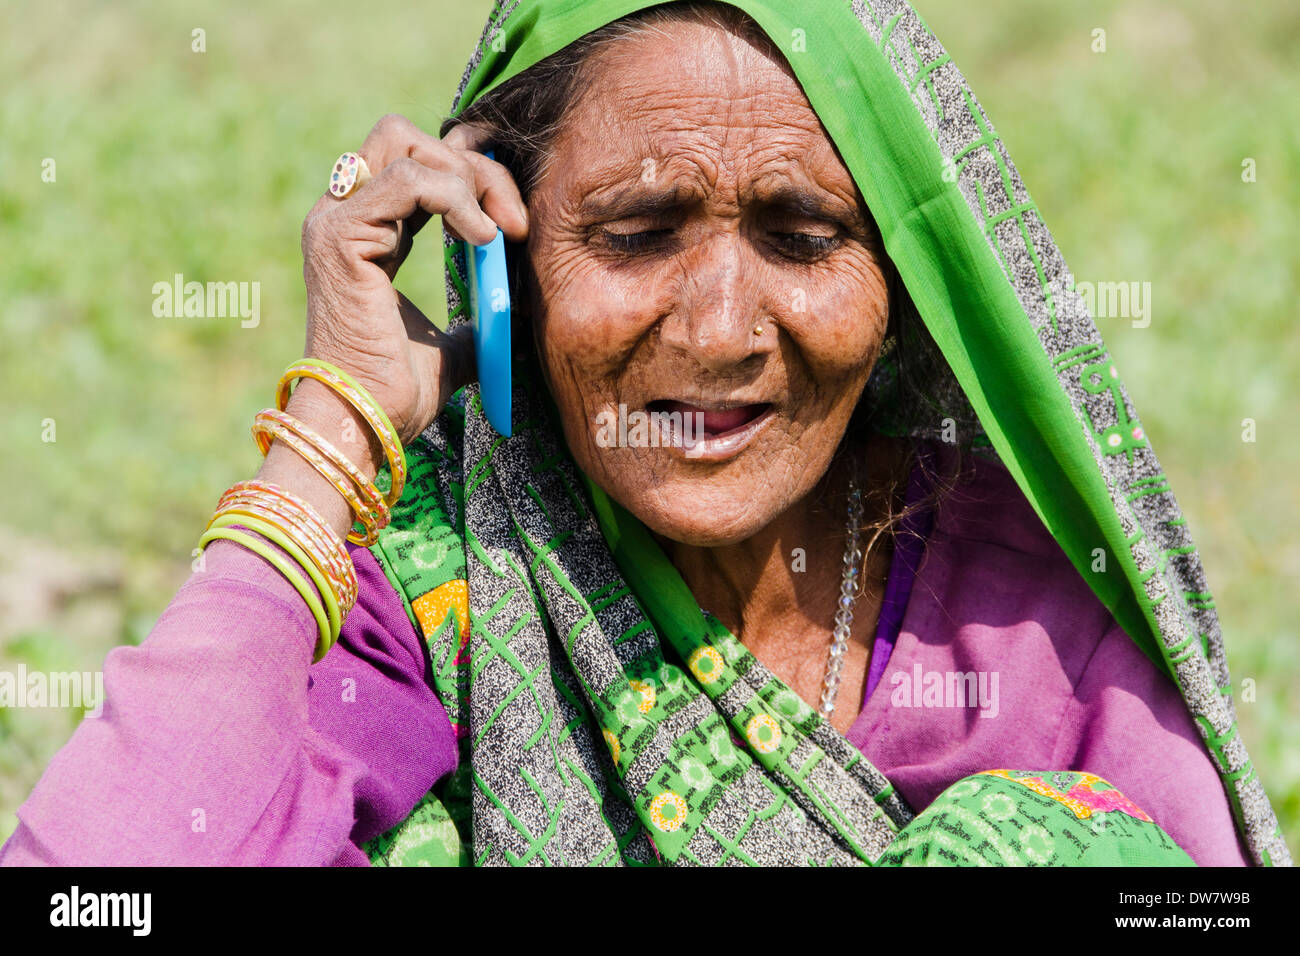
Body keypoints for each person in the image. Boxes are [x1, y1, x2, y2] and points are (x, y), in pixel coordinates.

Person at [0, 0, 1288, 867]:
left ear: (899, 298)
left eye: (803, 234)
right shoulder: (443, 586)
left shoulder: (1028, 625)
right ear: (504, 266)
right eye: (634, 233)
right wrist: (329, 431)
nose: (723, 330)